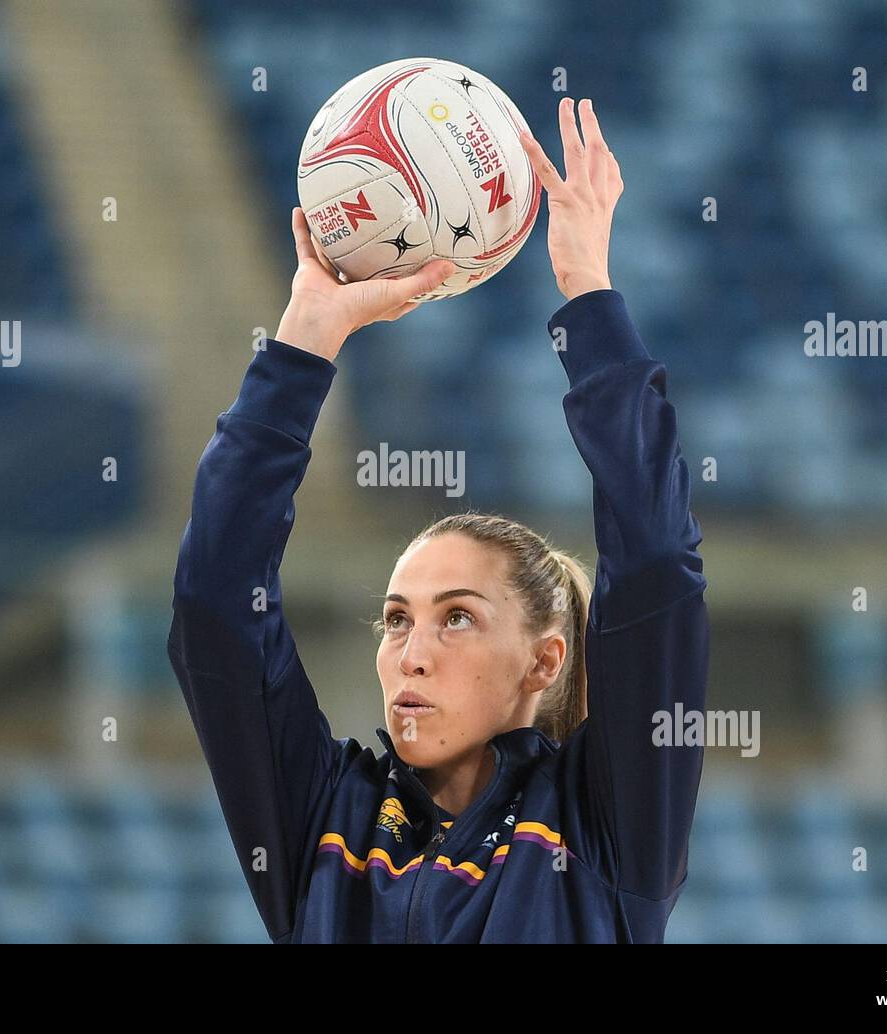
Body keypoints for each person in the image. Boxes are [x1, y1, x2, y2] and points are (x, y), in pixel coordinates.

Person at [167, 97, 709, 943]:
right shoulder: (323, 820)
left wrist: (588, 295)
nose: (409, 654)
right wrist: (309, 331)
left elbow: (655, 568)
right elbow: (214, 606)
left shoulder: (607, 830)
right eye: (395, 620)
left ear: (544, 660)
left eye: (457, 617)